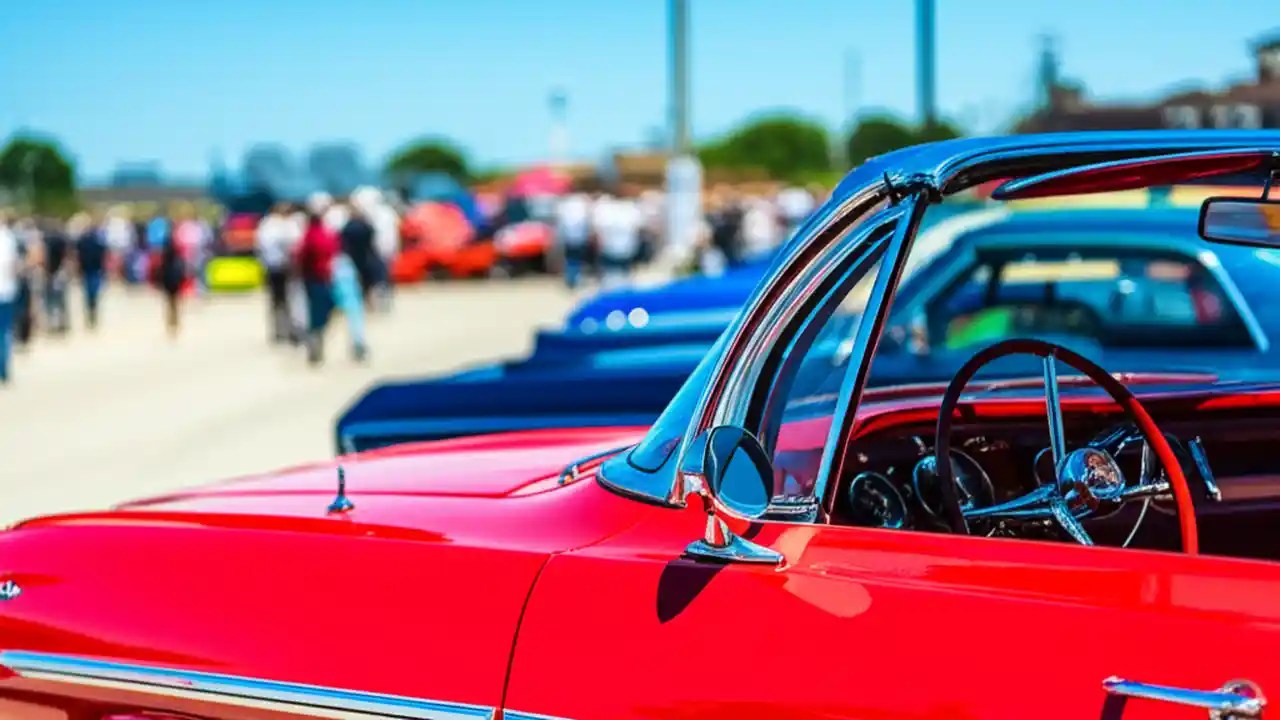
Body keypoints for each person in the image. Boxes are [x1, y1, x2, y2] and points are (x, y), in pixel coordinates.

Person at [295, 210, 339, 365]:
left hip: (312, 278)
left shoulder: (309, 237)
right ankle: (317, 345)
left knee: (314, 314)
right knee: (323, 312)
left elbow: (300, 256)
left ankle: (315, 349)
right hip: (326, 278)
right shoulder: (327, 235)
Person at [255, 202, 301, 343]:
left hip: (287, 268)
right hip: (275, 268)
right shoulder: (269, 225)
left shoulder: (291, 224)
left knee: (289, 301)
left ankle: (289, 330)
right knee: (278, 301)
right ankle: (280, 331)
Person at [592, 192, 643, 289]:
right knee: (625, 275)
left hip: (609, 248)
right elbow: (639, 229)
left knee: (609, 275)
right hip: (627, 248)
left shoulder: (606, 210)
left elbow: (598, 230)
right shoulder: (631, 210)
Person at [73, 211, 109, 329]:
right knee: (93, 295)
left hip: (89, 270)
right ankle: (92, 315)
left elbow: (78, 256)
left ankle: (91, 315)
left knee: (89, 295)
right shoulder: (97, 240)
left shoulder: (83, 240)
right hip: (93, 270)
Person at [157, 216, 188, 337]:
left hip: (169, 275)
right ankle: (174, 323)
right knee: (175, 302)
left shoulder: (167, 243)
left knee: (170, 302)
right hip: (173, 275)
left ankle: (171, 323)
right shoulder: (176, 243)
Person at [554, 192, 592, 289]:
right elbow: (585, 224)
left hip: (568, 238)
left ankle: (570, 278)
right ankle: (574, 278)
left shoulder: (565, 207)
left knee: (570, 259)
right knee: (577, 259)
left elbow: (560, 224)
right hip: (579, 238)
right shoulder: (582, 208)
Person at [41, 217, 72, 334]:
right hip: (60, 272)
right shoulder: (63, 239)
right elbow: (68, 256)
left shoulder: (46, 239)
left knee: (50, 300)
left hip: (50, 272)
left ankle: (51, 323)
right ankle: (62, 323)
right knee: (61, 300)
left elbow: (44, 257)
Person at [0, 214, 19, 385]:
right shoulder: (7, 237)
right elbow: (13, 265)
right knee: (5, 331)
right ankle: (4, 368)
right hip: (6, 290)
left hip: (6, 290)